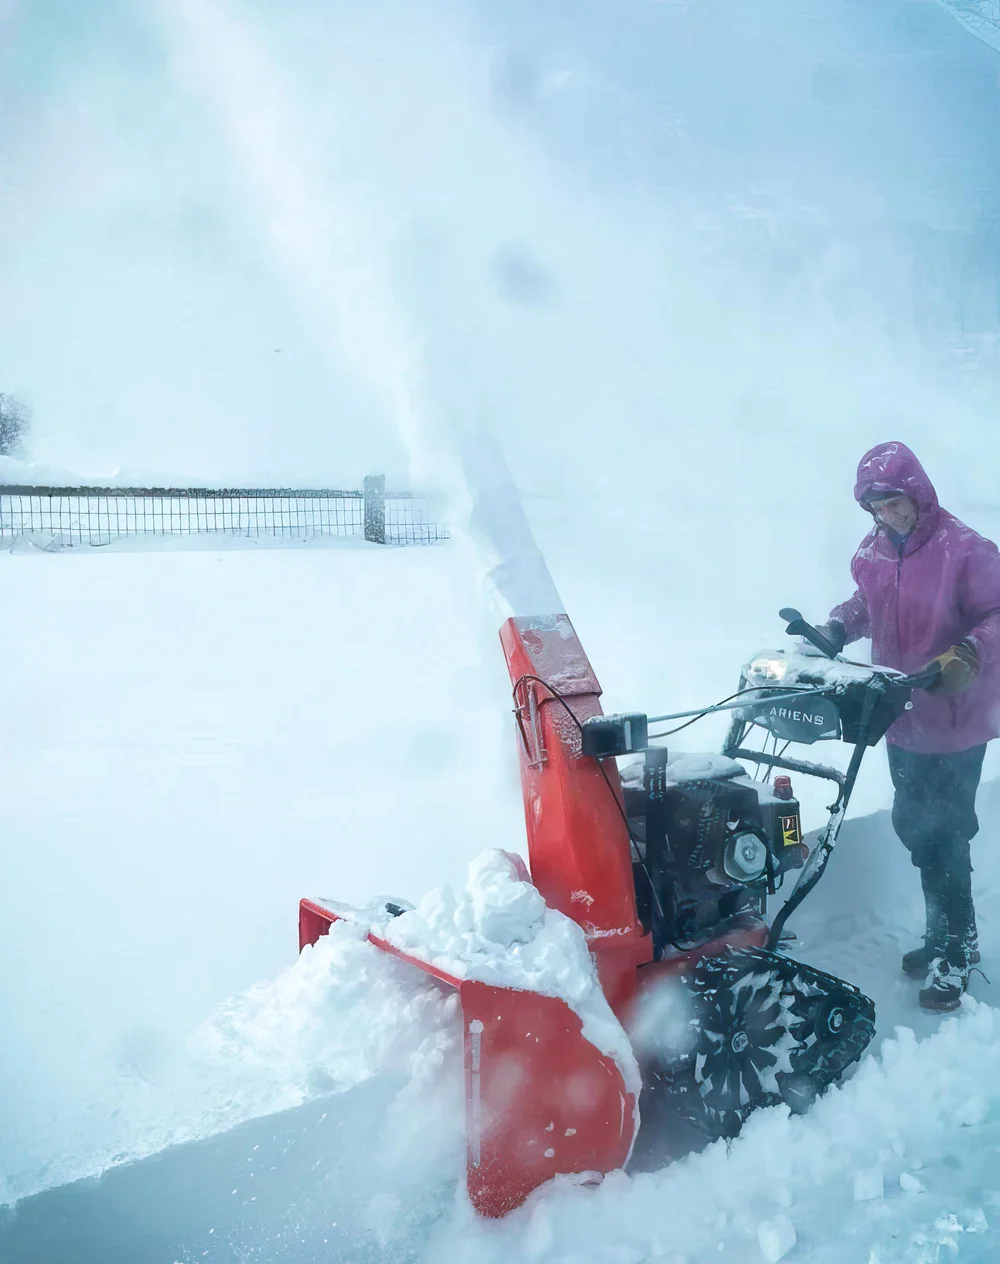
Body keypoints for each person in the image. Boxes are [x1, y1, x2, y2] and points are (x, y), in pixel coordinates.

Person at [818, 441, 1000, 1012]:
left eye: (894, 503)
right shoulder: (873, 550)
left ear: (917, 493)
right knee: (917, 828)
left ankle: (957, 950)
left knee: (944, 834)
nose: (886, 516)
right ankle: (939, 935)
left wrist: (970, 652)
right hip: (901, 717)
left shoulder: (964, 549)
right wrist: (835, 630)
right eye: (875, 508)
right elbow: (867, 602)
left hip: (954, 719)